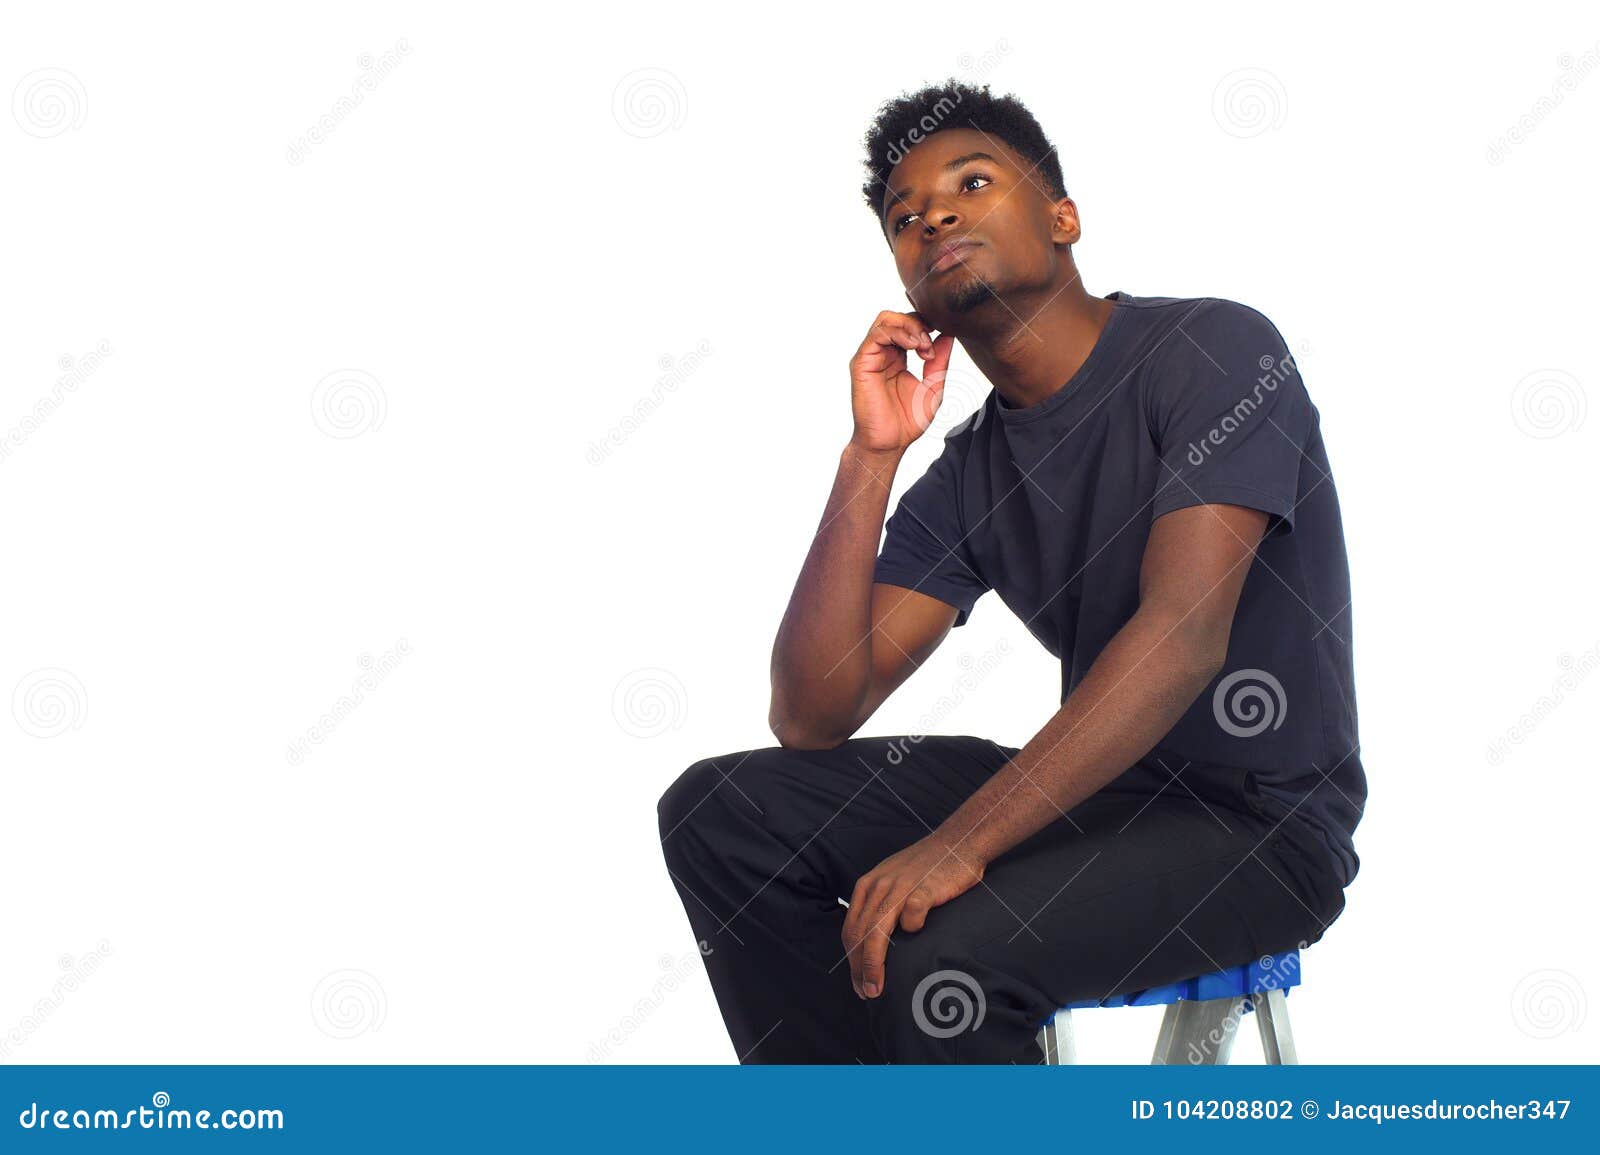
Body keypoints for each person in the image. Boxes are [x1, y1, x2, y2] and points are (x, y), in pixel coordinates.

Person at [657, 79, 1365, 1064]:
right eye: (904, 218)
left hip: (1255, 830)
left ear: (1061, 217)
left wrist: (959, 843)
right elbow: (813, 714)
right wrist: (871, 456)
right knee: (723, 814)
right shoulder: (971, 471)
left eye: (972, 183)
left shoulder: (1209, 349)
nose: (933, 215)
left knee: (946, 957)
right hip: (1098, 797)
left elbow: (1182, 637)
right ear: (906, 279)